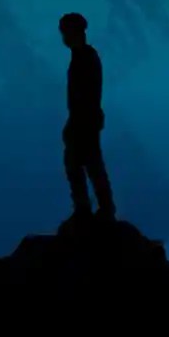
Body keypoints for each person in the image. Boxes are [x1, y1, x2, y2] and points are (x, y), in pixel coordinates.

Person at [59, 12, 115, 221]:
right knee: (80, 164)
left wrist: (79, 121)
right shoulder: (81, 56)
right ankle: (88, 208)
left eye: (66, 32)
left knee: (88, 164)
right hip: (82, 120)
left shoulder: (86, 57)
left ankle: (99, 208)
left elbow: (86, 95)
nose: (64, 37)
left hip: (85, 121)